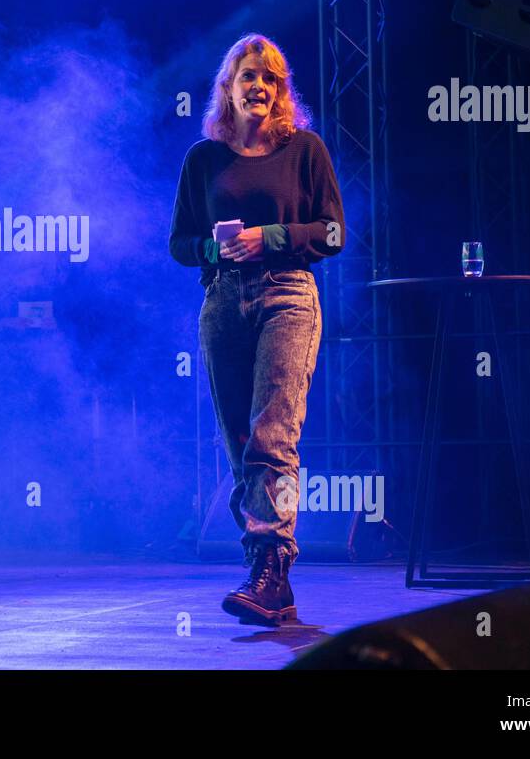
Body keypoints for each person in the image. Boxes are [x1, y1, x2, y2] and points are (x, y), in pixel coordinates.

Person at [168, 33, 345, 626]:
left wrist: (268, 238)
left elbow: (334, 233)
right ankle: (269, 573)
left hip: (288, 293)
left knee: (274, 433)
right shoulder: (203, 160)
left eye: (270, 78)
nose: (259, 87)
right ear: (230, 88)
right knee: (240, 440)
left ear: (280, 91)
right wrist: (216, 251)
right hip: (222, 301)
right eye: (249, 76)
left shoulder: (304, 151)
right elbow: (179, 245)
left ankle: (271, 567)